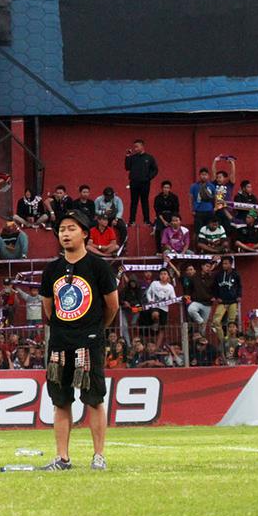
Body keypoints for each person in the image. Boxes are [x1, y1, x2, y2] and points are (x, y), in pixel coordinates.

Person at [32, 210, 119, 471]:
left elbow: (112, 305)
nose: (65, 234)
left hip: (90, 342)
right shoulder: (52, 269)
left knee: (94, 399)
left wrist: (95, 329)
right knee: (60, 400)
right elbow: (49, 307)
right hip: (60, 343)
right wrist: (65, 328)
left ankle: (99, 456)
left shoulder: (99, 266)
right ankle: (62, 457)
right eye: (62, 229)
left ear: (84, 234)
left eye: (71, 229)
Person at [124, 139, 159, 225]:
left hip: (145, 183)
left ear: (142, 146)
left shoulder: (149, 158)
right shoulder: (132, 157)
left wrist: (149, 177)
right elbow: (127, 167)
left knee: (145, 201)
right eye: (134, 147)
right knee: (134, 202)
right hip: (134, 182)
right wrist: (127, 156)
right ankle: (132, 220)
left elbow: (155, 170)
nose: (135, 149)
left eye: (137, 146)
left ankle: (146, 220)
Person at [210, 257, 242, 342]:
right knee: (216, 321)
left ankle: (229, 340)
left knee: (231, 322)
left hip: (233, 301)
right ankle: (223, 340)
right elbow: (215, 287)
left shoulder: (236, 274)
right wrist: (217, 297)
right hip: (222, 302)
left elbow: (239, 286)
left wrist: (239, 296)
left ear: (231, 264)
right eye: (223, 263)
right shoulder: (219, 275)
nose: (224, 265)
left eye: (226, 263)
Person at [151, 181, 180, 252]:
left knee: (174, 231)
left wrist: (172, 221)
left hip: (172, 216)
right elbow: (157, 211)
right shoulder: (158, 198)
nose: (166, 189)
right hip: (161, 216)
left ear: (170, 189)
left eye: (168, 188)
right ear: (162, 188)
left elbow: (176, 210)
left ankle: (175, 248)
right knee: (158, 231)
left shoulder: (174, 197)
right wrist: (164, 221)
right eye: (165, 187)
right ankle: (159, 250)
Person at [190, 168, 216, 233]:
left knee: (209, 230)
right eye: (202, 174)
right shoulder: (194, 186)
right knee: (198, 231)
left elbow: (215, 198)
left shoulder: (211, 186)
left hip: (209, 211)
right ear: (199, 175)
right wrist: (192, 210)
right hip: (198, 211)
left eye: (205, 175)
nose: (204, 176)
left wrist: (215, 208)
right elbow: (191, 199)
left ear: (208, 176)